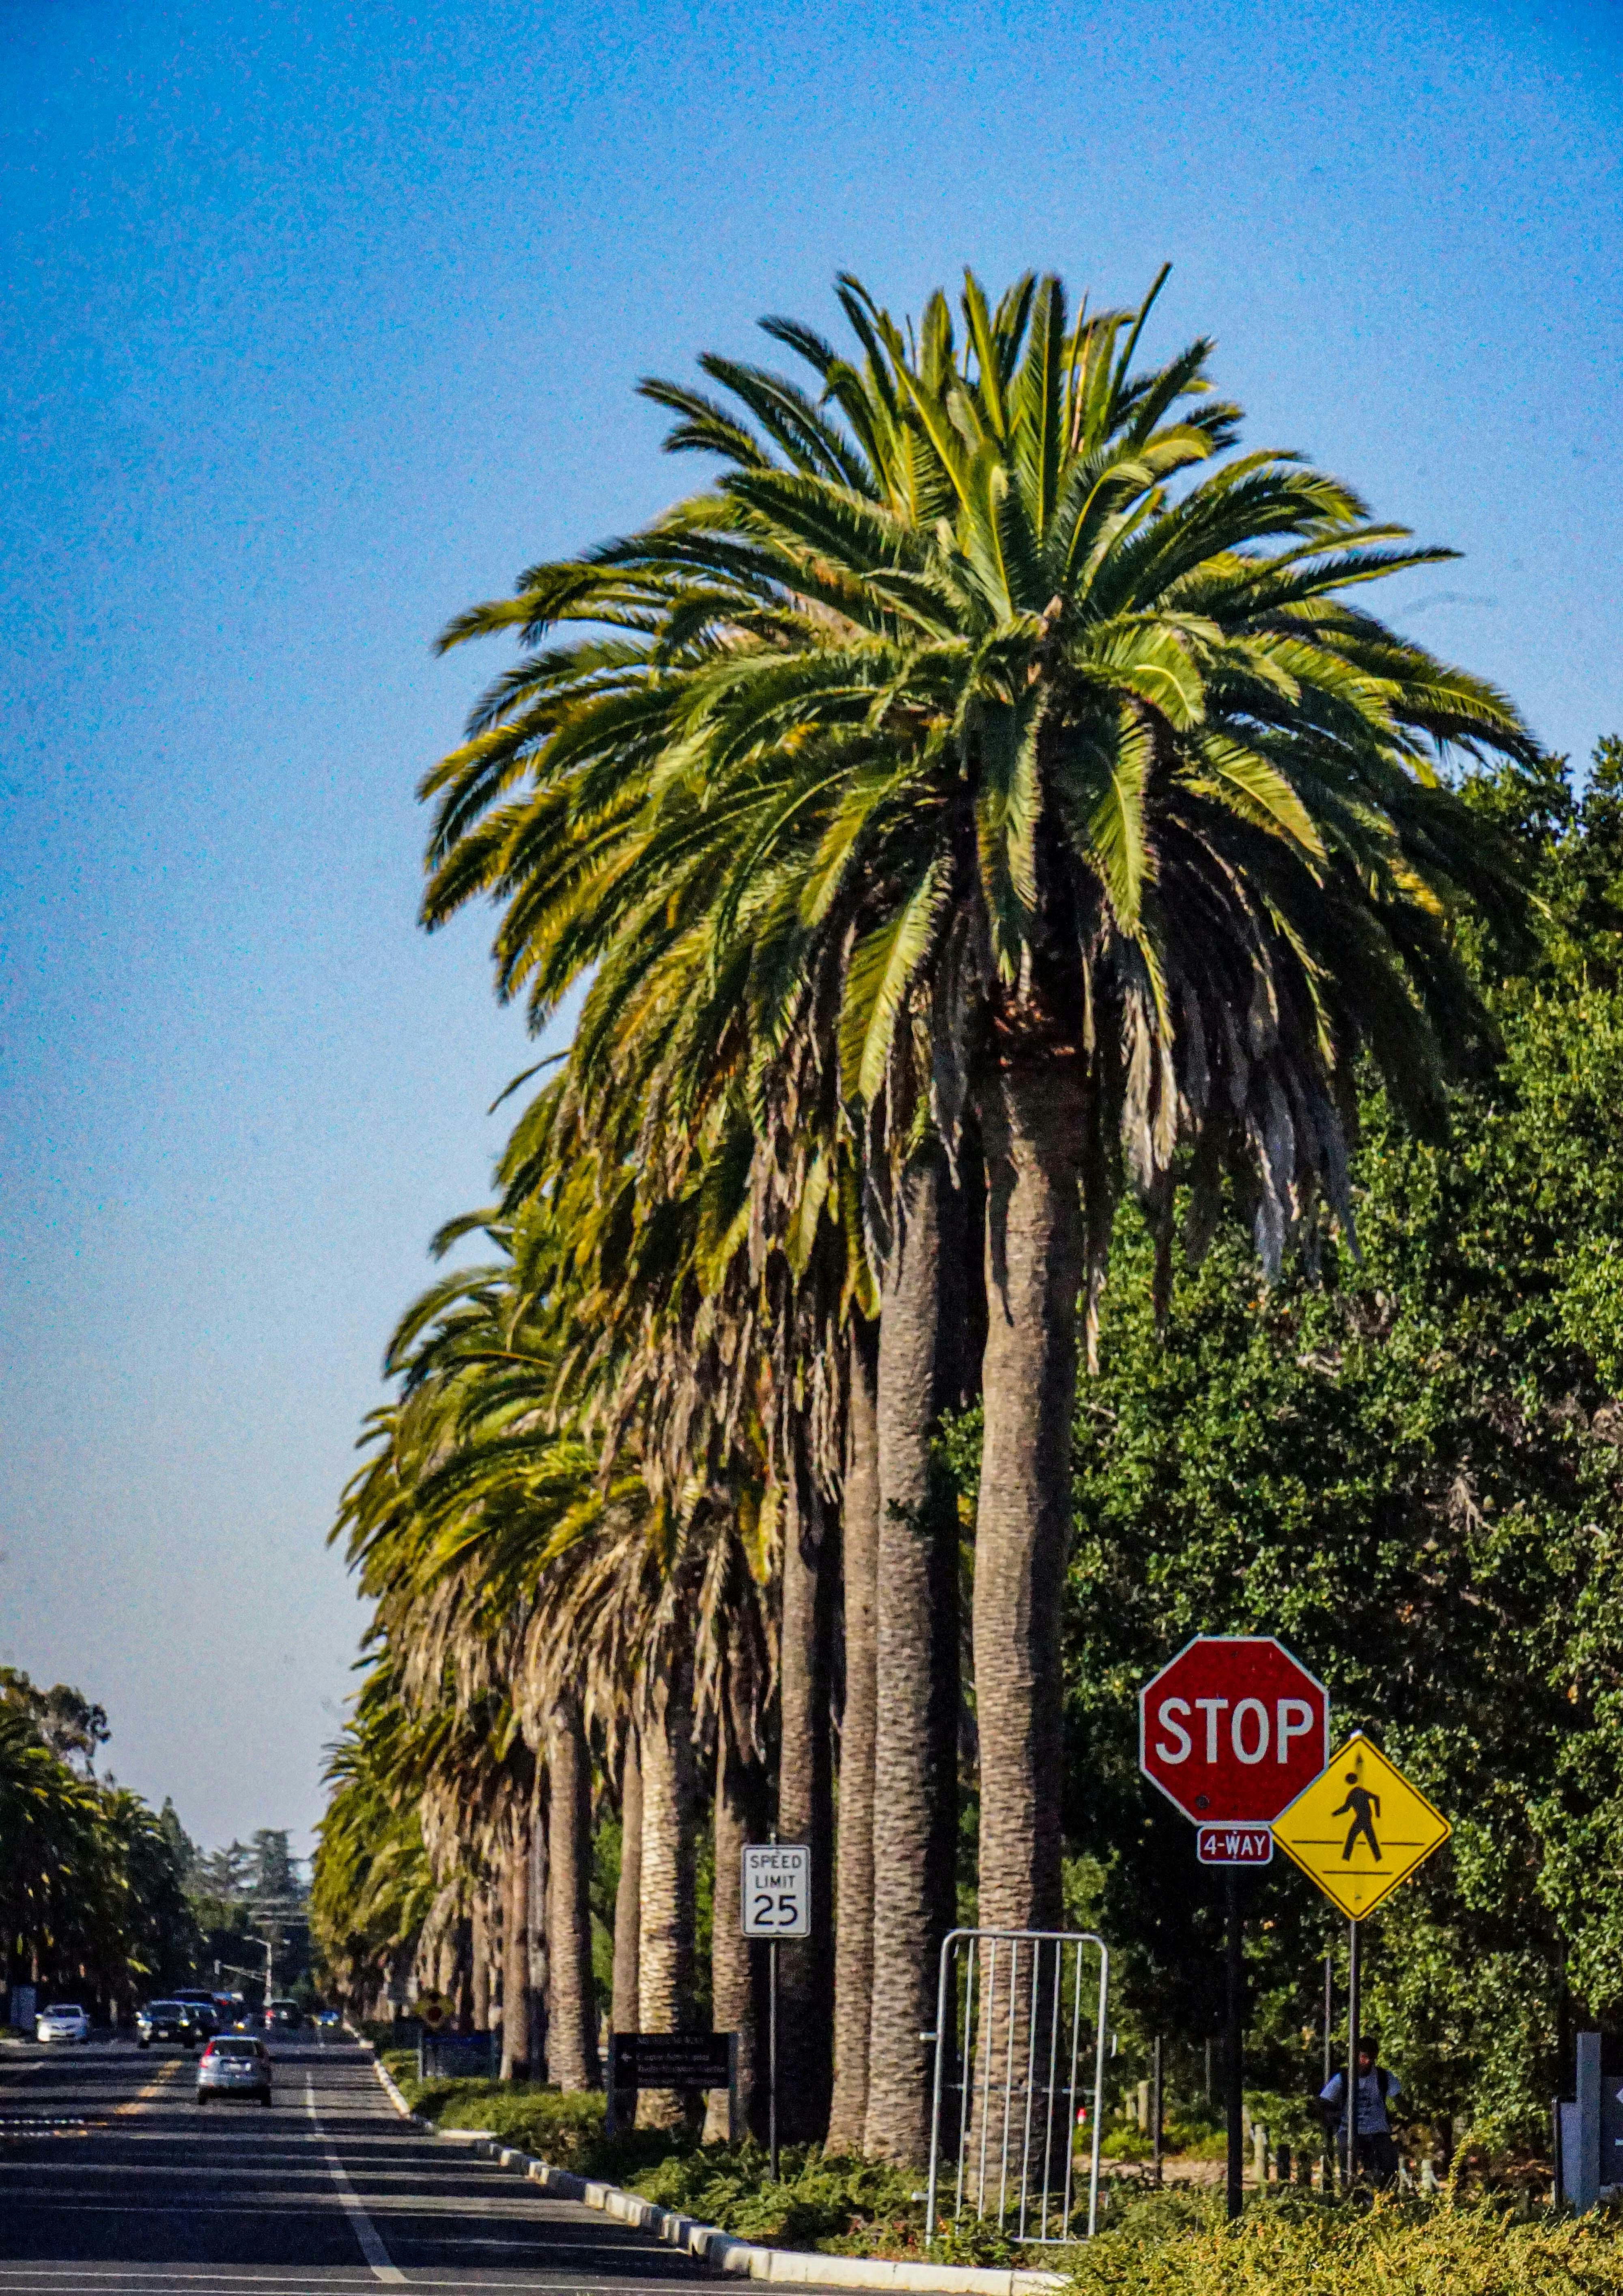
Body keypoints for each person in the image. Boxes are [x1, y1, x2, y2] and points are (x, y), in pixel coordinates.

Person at [1320, 2035, 1401, 2187]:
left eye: (1371, 2058)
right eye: (1364, 2057)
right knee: (1347, 2161)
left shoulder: (1384, 2077)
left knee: (1389, 2165)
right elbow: (1324, 2102)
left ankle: (1383, 2194)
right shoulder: (1343, 2078)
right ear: (1355, 2056)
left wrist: (1407, 2115)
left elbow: (1400, 2100)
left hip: (1378, 2131)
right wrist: (1335, 2120)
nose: (1367, 2062)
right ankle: (1348, 2191)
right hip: (1349, 2130)